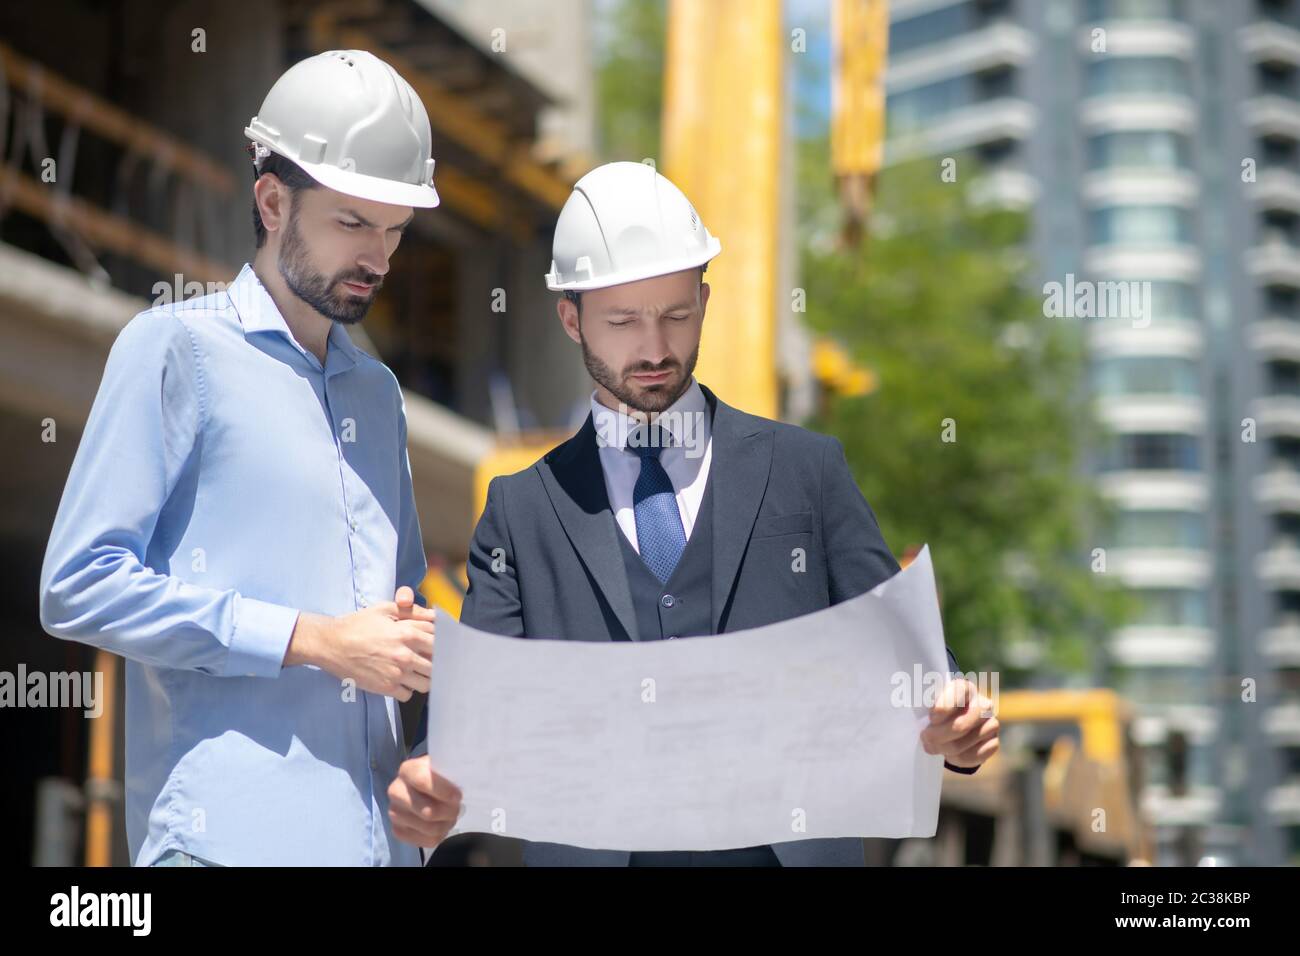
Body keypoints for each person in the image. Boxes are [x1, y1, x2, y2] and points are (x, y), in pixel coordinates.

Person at [389, 162, 999, 866]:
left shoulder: (806, 472)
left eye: (677, 315)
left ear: (705, 301)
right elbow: (479, 704)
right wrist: (429, 773)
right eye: (622, 321)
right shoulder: (521, 510)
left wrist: (952, 707)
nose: (654, 348)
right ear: (570, 317)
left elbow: (901, 643)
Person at [39, 49, 444, 866]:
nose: (379, 257)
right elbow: (76, 586)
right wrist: (310, 639)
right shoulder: (175, 350)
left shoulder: (380, 397)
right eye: (352, 222)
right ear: (272, 202)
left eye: (395, 231)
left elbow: (399, 624)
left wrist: (424, 767)